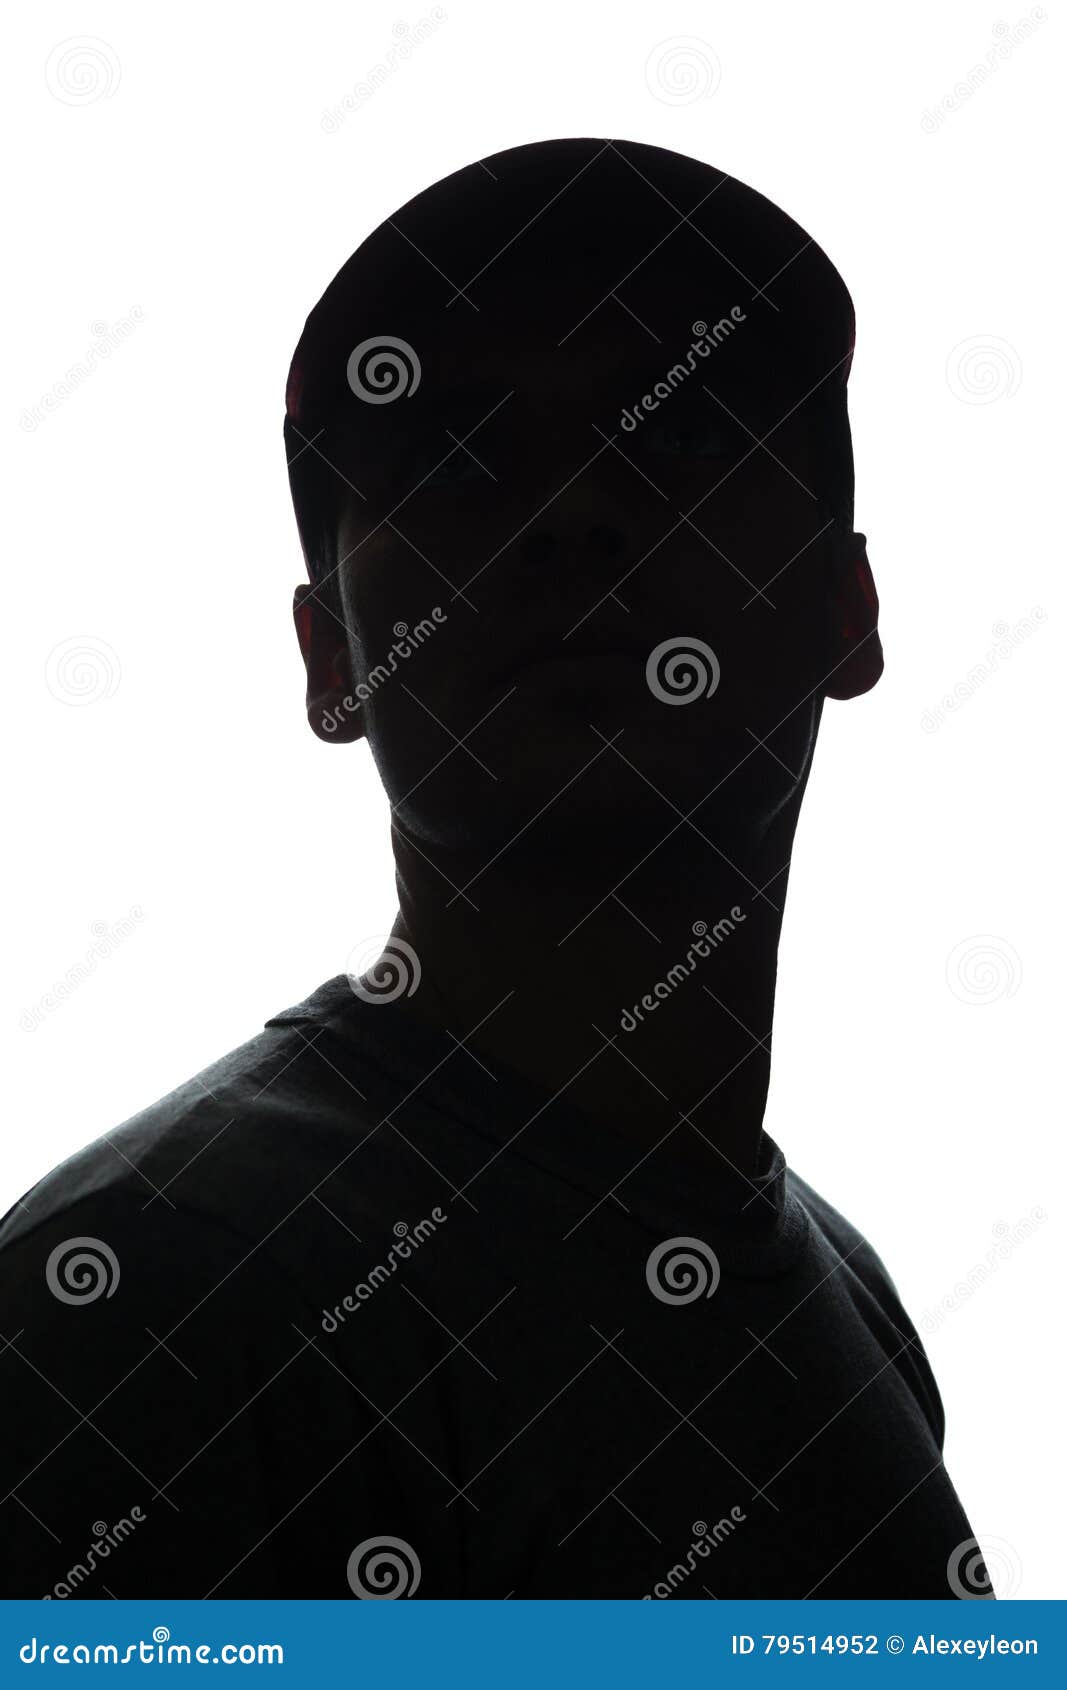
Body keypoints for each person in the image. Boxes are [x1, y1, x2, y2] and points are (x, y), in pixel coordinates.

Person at [0, 138, 985, 1599]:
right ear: (332, 657)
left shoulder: (849, 1308)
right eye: (459, 462)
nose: (573, 513)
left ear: (849, 607)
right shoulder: (146, 1291)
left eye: (689, 432)